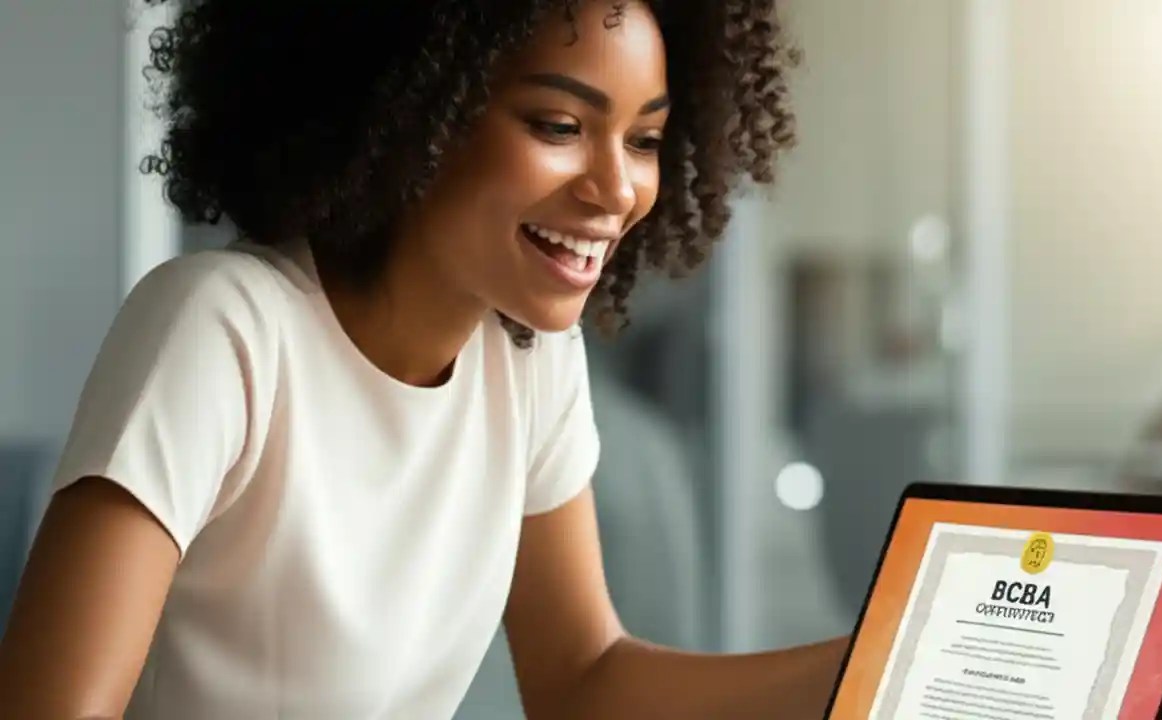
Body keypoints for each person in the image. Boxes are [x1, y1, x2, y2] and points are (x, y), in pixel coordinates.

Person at [0, 1, 849, 718]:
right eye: (560, 125)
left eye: (644, 139)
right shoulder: (222, 330)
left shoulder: (530, 361)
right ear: (412, 115)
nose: (617, 189)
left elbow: (585, 681)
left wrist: (881, 660)